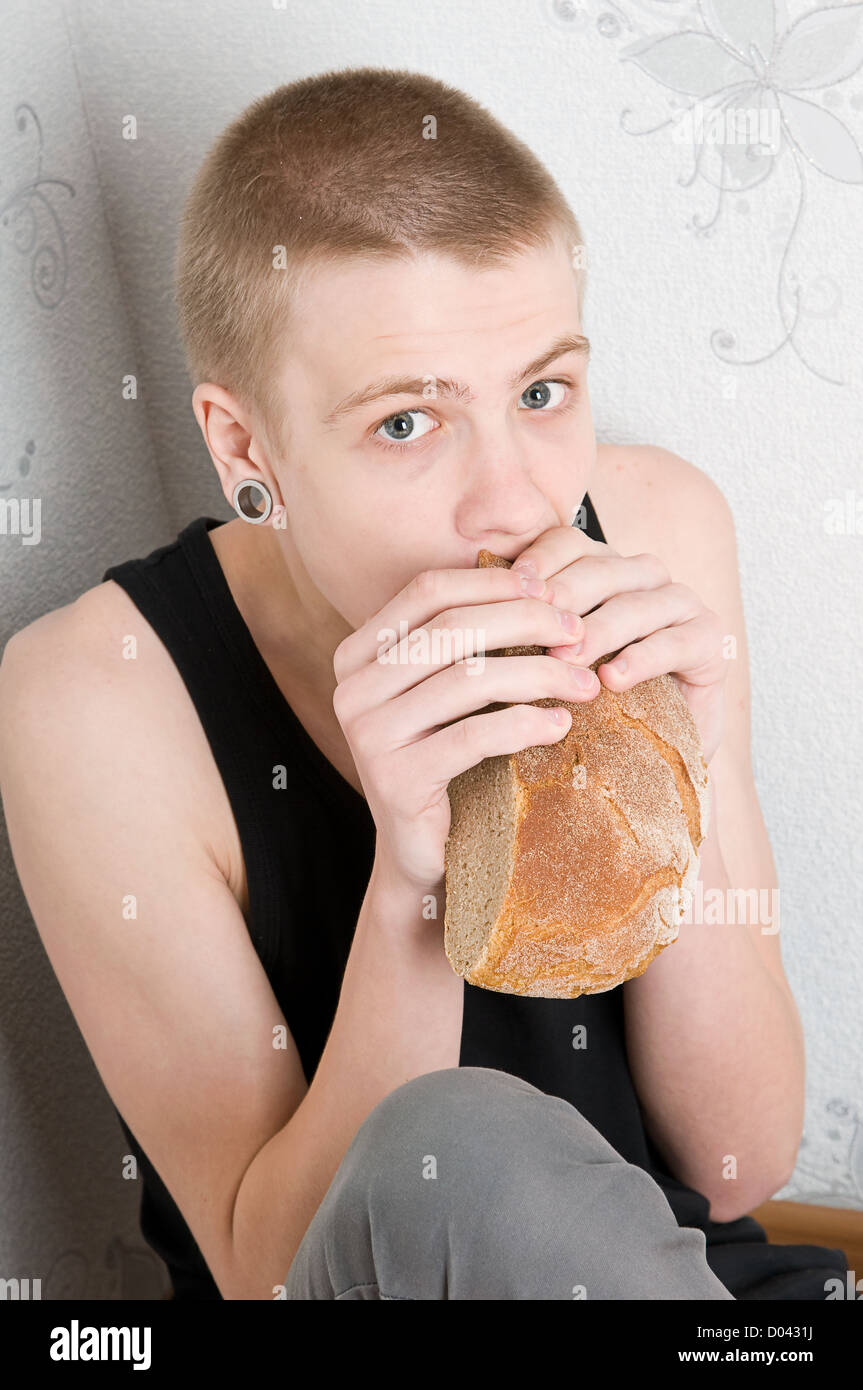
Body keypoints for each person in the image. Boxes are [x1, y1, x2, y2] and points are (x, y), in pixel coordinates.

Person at [0, 67, 849, 1302]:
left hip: (687, 1290)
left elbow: (731, 1167)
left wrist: (685, 766)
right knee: (463, 1161)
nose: (514, 501)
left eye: (541, 392)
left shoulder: (656, 523)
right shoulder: (98, 698)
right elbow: (269, 1270)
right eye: (407, 422)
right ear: (247, 449)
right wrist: (413, 878)